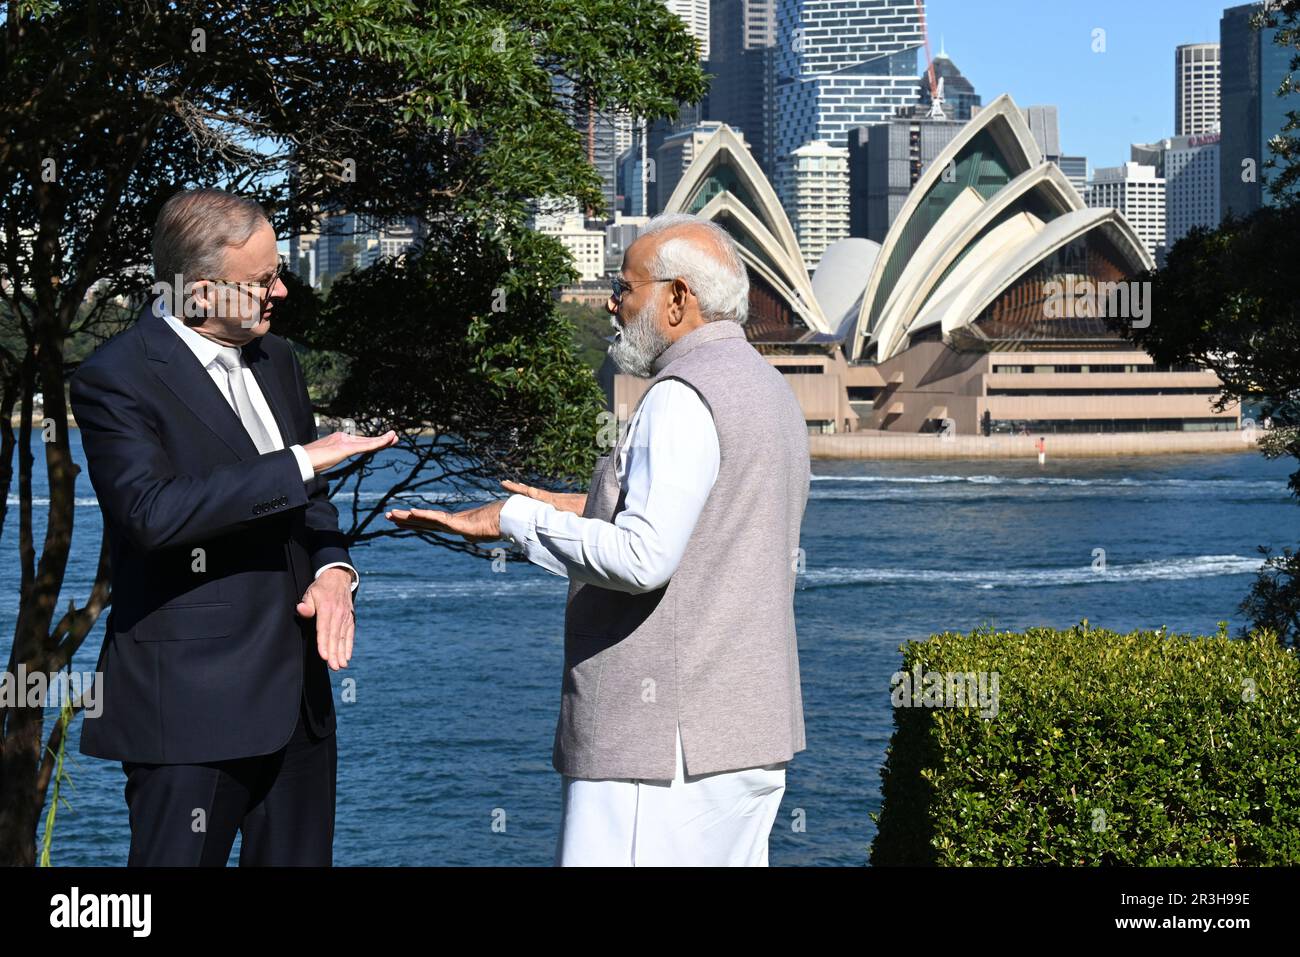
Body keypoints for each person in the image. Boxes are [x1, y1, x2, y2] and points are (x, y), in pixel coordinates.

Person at [387, 212, 809, 866]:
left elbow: (645, 558)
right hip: (743, 739)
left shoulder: (680, 397)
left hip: (659, 750)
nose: (613, 303)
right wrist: (576, 506)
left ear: (677, 298)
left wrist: (512, 520)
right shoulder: (769, 389)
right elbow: (706, 523)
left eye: (626, 286)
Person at [70, 189, 397, 865]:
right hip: (190, 710)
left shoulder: (278, 359)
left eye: (278, 272)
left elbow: (311, 506)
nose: (281, 289)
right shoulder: (117, 378)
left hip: (300, 709)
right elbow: (151, 514)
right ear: (198, 290)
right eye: (261, 281)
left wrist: (336, 569)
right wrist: (302, 459)